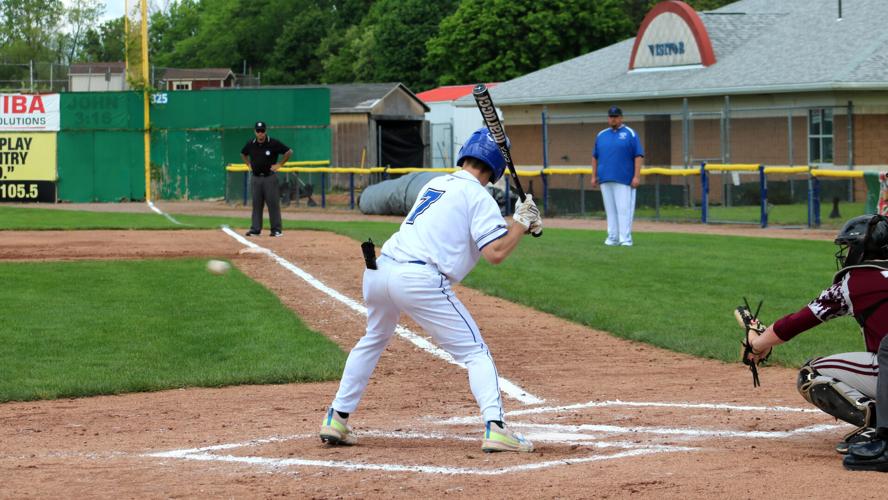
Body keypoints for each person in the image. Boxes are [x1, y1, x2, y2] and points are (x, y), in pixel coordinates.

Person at [319, 127, 542, 453]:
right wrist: (521, 223)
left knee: (373, 339)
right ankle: (496, 427)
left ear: (466, 152)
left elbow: (477, 228)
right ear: (497, 167)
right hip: (419, 279)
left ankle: (336, 418)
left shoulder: (437, 182)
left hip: (380, 270)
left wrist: (521, 222)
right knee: (476, 352)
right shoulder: (479, 196)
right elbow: (495, 253)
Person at [741, 215, 888, 467]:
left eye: (852, 246)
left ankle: (877, 424)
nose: (848, 252)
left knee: (812, 373)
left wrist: (757, 344)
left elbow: (798, 321)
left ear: (865, 249)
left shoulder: (856, 282)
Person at [591, 105, 644, 246]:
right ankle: (613, 237)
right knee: (611, 210)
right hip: (605, 178)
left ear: (621, 118)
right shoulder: (601, 135)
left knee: (623, 210)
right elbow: (595, 157)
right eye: (611, 116)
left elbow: (638, 156)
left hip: (623, 178)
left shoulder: (630, 133)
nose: (613, 119)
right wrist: (593, 175)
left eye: (615, 116)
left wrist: (636, 176)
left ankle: (625, 238)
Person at [240, 121, 292, 237]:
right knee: (257, 204)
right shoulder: (251, 144)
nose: (260, 133)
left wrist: (279, 164)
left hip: (269, 178)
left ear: (265, 131)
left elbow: (289, 152)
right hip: (256, 178)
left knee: (273, 204)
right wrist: (248, 165)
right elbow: (243, 153)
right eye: (258, 131)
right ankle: (255, 229)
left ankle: (276, 230)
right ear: (255, 132)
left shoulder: (273, 143)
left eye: (262, 131)